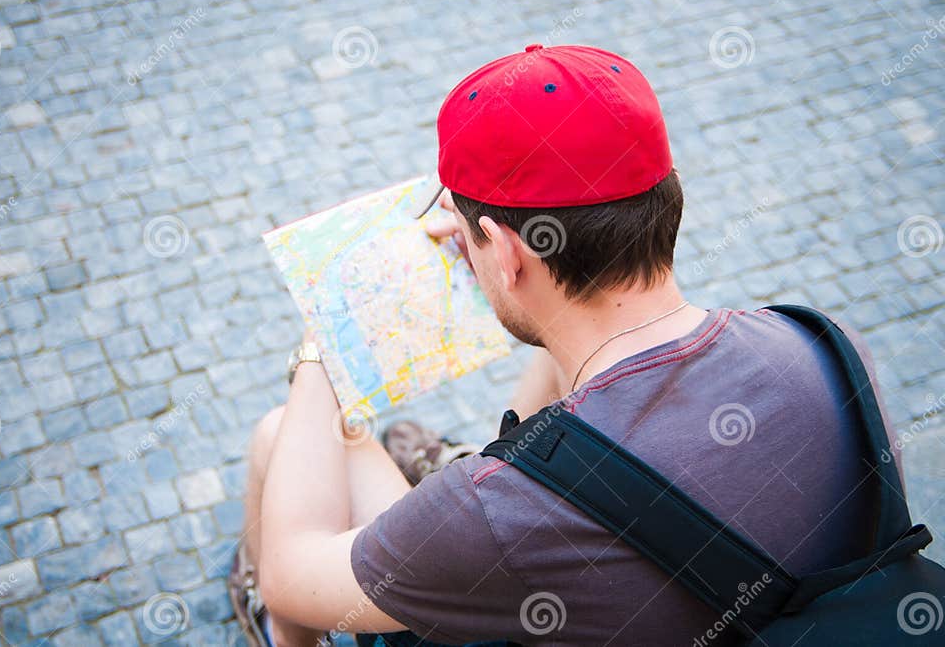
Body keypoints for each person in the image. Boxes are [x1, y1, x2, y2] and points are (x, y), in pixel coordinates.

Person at [230, 45, 896, 646]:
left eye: (464, 233)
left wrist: (326, 335)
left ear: (507, 249)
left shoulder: (492, 512)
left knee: (281, 433)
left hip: (506, 560)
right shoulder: (824, 347)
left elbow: (292, 571)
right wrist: (515, 278)